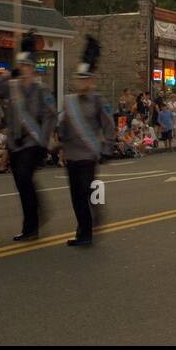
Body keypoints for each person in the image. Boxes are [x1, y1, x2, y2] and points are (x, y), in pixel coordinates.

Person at [0, 31, 58, 241]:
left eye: (27, 67)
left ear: (34, 69)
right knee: (21, 182)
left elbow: (50, 116)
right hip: (15, 143)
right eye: (22, 67)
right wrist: (11, 74)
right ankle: (36, 213)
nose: (25, 71)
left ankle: (31, 227)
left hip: (33, 142)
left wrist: (43, 141)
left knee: (24, 177)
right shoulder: (12, 87)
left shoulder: (41, 90)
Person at [60, 36, 117, 247]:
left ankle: (86, 232)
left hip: (88, 155)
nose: (81, 83)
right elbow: (63, 127)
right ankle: (85, 225)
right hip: (72, 155)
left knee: (85, 190)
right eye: (79, 79)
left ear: (91, 80)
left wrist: (107, 148)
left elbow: (109, 127)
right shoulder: (68, 102)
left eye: (85, 79)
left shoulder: (98, 101)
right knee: (76, 196)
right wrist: (59, 147)